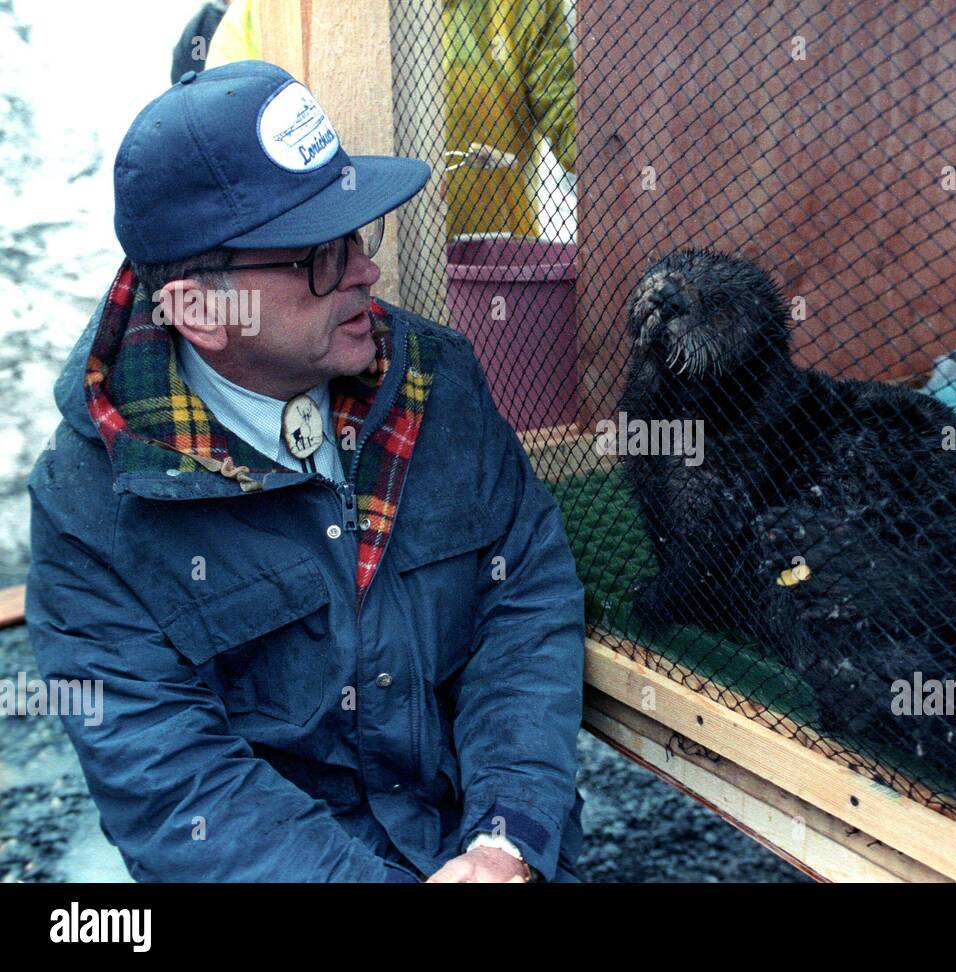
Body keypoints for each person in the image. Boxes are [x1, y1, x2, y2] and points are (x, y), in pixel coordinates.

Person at [25, 61, 586, 883]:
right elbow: (177, 788)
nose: (366, 272)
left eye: (359, 234)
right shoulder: (90, 511)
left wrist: (507, 837)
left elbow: (525, 600)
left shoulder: (438, 376)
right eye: (319, 257)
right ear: (201, 312)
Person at [206, 0, 577, 239]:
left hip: (488, 272)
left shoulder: (520, 8)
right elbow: (229, 155)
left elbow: (580, 138)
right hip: (326, 274)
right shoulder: (268, 15)